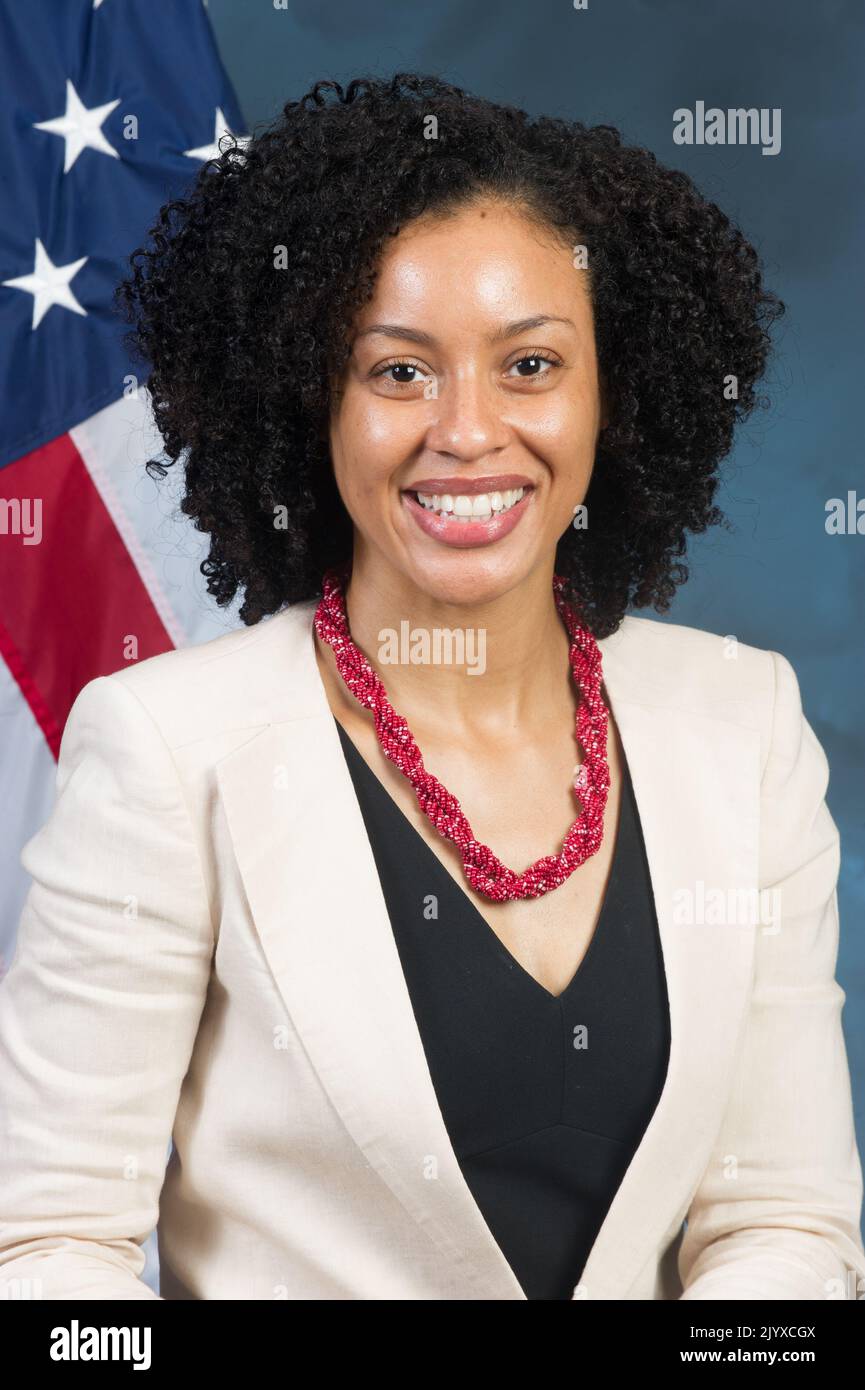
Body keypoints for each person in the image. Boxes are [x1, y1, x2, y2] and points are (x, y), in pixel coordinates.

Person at [1, 72, 862, 1302]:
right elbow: (49, 1255)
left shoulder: (742, 723)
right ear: (313, 403)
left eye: (529, 364)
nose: (467, 431)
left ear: (612, 395)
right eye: (398, 372)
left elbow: (779, 1222)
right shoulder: (165, 748)